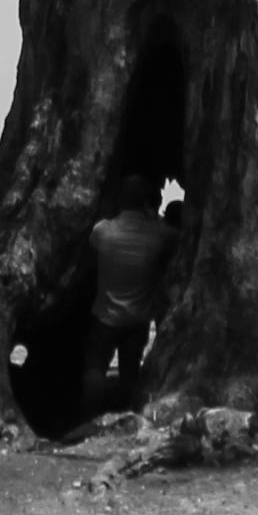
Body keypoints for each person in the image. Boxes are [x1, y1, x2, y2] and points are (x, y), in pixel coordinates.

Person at [84, 174, 180, 408]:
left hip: (105, 316)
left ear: (119, 200)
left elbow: (92, 243)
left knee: (95, 367)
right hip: (137, 320)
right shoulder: (158, 235)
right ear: (146, 203)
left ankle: (88, 411)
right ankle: (126, 413)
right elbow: (178, 236)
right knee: (130, 372)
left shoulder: (102, 231)